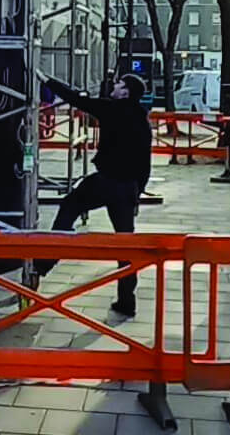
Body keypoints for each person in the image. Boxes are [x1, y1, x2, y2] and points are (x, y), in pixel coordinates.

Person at [37, 70, 153, 318]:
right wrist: (137, 192)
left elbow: (77, 100)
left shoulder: (112, 109)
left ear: (126, 92)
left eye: (119, 83)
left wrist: (47, 80)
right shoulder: (143, 121)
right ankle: (127, 301)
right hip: (127, 187)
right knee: (126, 244)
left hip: (105, 180)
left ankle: (44, 263)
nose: (114, 84)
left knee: (69, 206)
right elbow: (145, 162)